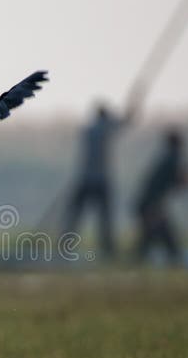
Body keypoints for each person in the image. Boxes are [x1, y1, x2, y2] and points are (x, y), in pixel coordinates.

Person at [61, 83, 146, 258]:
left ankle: (64, 247)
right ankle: (108, 250)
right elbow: (127, 120)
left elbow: (122, 121)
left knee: (75, 216)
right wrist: (136, 99)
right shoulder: (104, 128)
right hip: (99, 181)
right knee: (105, 219)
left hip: (84, 178)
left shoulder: (88, 129)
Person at [133, 127, 188, 264]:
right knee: (163, 237)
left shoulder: (166, 158)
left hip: (151, 204)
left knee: (152, 237)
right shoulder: (173, 158)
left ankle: (139, 261)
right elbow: (181, 182)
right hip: (153, 205)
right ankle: (172, 260)